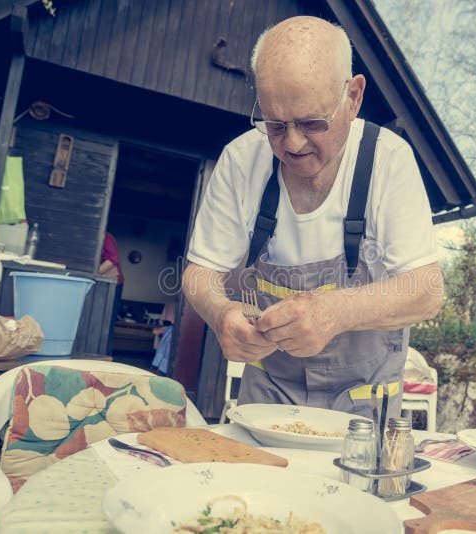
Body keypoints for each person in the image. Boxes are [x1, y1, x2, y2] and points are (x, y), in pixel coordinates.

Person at [182, 16, 444, 418]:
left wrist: (335, 312)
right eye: (274, 124)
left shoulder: (388, 160)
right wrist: (221, 314)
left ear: (353, 97)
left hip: (363, 407)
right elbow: (199, 274)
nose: (292, 142)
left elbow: (426, 291)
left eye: (311, 123)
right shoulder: (241, 159)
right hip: (268, 398)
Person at [99, 231, 124, 355]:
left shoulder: (106, 237)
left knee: (107, 321)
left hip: (114, 285)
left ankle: (105, 354)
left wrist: (95, 273)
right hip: (104, 284)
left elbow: (113, 259)